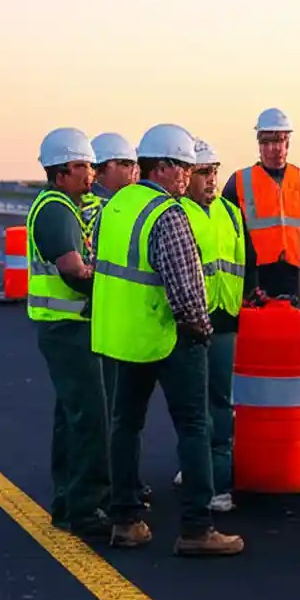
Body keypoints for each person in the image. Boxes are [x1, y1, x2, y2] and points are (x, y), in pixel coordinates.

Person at [91, 123, 244, 556]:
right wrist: (201, 330)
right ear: (164, 168)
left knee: (126, 425)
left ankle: (125, 520)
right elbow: (186, 290)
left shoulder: (116, 208)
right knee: (194, 427)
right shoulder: (168, 214)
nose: (188, 177)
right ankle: (198, 528)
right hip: (170, 337)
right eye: (184, 168)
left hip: (126, 337)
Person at [28, 127, 111, 539]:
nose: (90, 174)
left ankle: (66, 503)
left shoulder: (66, 205)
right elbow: (74, 270)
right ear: (61, 172)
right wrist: (114, 283)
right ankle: (85, 509)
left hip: (70, 327)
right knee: (90, 418)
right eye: (82, 166)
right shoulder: (56, 209)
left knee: (72, 418)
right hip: (69, 328)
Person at [176, 139, 246, 513]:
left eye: (215, 170)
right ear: (187, 176)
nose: (211, 179)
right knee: (191, 406)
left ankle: (218, 485)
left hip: (222, 322)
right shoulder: (177, 213)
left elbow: (240, 265)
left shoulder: (230, 214)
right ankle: (193, 468)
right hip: (187, 322)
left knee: (219, 404)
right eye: (204, 172)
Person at [80, 130, 150, 505]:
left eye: (133, 163)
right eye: (123, 164)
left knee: (123, 413)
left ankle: (122, 482)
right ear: (102, 170)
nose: (133, 171)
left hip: (121, 323)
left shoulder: (119, 207)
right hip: (105, 324)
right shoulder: (98, 212)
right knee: (114, 412)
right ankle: (114, 488)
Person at [222, 107, 300, 299]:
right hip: (256, 280)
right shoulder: (239, 181)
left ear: (288, 143)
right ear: (259, 144)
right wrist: (247, 284)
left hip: (297, 278)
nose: (275, 148)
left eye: (281, 140)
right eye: (268, 141)